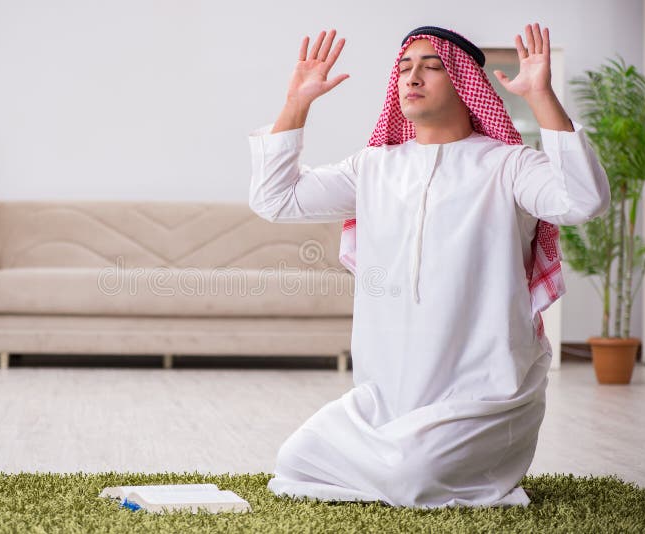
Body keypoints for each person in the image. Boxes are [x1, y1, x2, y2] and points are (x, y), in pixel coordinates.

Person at [246, 23, 610, 508]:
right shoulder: (372, 167)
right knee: (296, 459)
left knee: (412, 473)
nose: (412, 77)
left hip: (483, 396)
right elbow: (275, 199)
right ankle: (390, 458)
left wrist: (542, 97)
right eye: (404, 68)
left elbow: (584, 200)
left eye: (431, 66)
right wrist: (297, 102)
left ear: (464, 84)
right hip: (386, 398)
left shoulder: (509, 166)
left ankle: (398, 465)